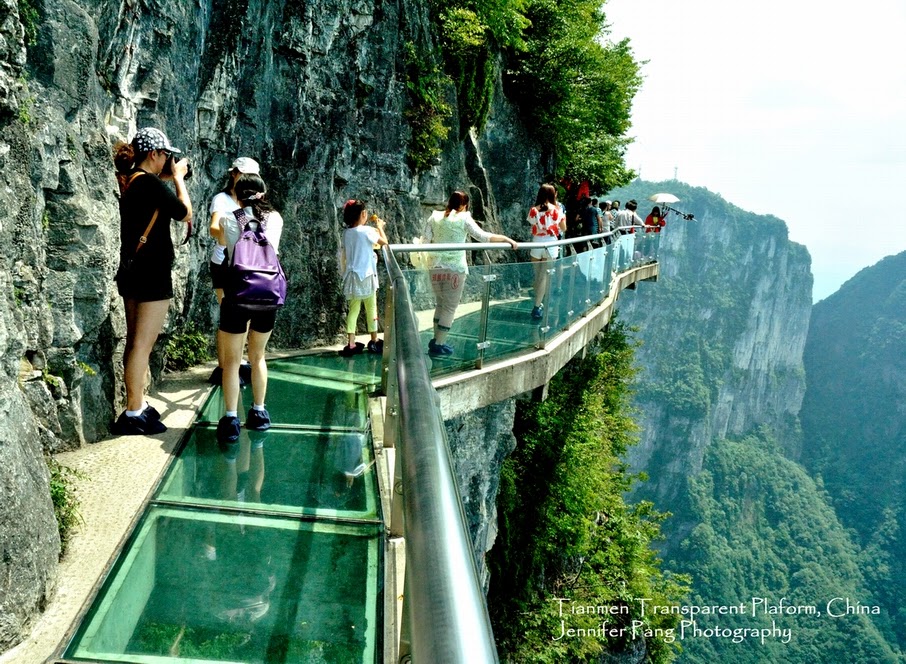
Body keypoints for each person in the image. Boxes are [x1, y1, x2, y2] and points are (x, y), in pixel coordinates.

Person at [112, 127, 192, 435]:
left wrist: (167, 180)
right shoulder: (148, 183)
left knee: (135, 343)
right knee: (142, 345)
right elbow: (185, 213)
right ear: (154, 154)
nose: (168, 161)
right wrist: (180, 178)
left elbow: (154, 197)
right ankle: (134, 411)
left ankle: (138, 404)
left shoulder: (132, 180)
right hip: (152, 274)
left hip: (132, 270)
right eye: (166, 155)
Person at [215, 174, 284, 444]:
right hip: (267, 295)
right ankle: (259, 412)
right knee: (258, 356)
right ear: (263, 193)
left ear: (238, 195)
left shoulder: (228, 219)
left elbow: (223, 247)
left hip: (237, 294)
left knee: (232, 361)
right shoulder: (275, 219)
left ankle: (231, 419)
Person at [423, 190, 517, 356]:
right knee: (450, 307)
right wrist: (505, 238)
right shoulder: (464, 218)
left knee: (440, 304)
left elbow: (425, 239)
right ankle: (439, 343)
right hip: (455, 269)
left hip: (435, 266)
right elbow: (482, 237)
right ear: (464, 205)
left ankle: (436, 340)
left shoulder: (434, 216)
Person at [207, 157, 261, 386]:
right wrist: (229, 236)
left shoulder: (248, 203)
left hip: (244, 264)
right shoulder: (223, 199)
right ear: (234, 174)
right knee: (228, 315)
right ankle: (224, 366)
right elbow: (213, 227)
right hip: (223, 261)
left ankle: (235, 362)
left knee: (242, 316)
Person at [339, 199, 388, 357]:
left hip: (352, 277)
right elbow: (384, 243)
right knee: (371, 308)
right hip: (366, 276)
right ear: (362, 214)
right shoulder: (367, 231)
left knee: (353, 310)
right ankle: (374, 339)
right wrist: (380, 227)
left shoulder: (347, 233)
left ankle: (351, 343)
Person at [528, 183, 566, 319]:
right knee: (544, 276)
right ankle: (537, 306)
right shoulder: (557, 209)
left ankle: (538, 301)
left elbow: (532, 223)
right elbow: (563, 227)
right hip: (550, 243)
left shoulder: (534, 210)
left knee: (537, 275)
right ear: (552, 194)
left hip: (536, 243)